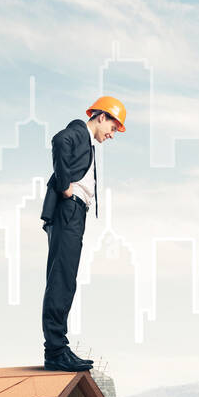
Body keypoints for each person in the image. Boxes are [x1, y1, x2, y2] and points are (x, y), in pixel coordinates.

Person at [39, 95, 126, 372]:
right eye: (113, 128)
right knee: (62, 279)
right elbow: (58, 140)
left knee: (66, 279)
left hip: (75, 213)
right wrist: (65, 185)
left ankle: (58, 347)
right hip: (68, 209)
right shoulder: (78, 131)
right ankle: (55, 350)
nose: (112, 135)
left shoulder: (87, 142)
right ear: (102, 117)